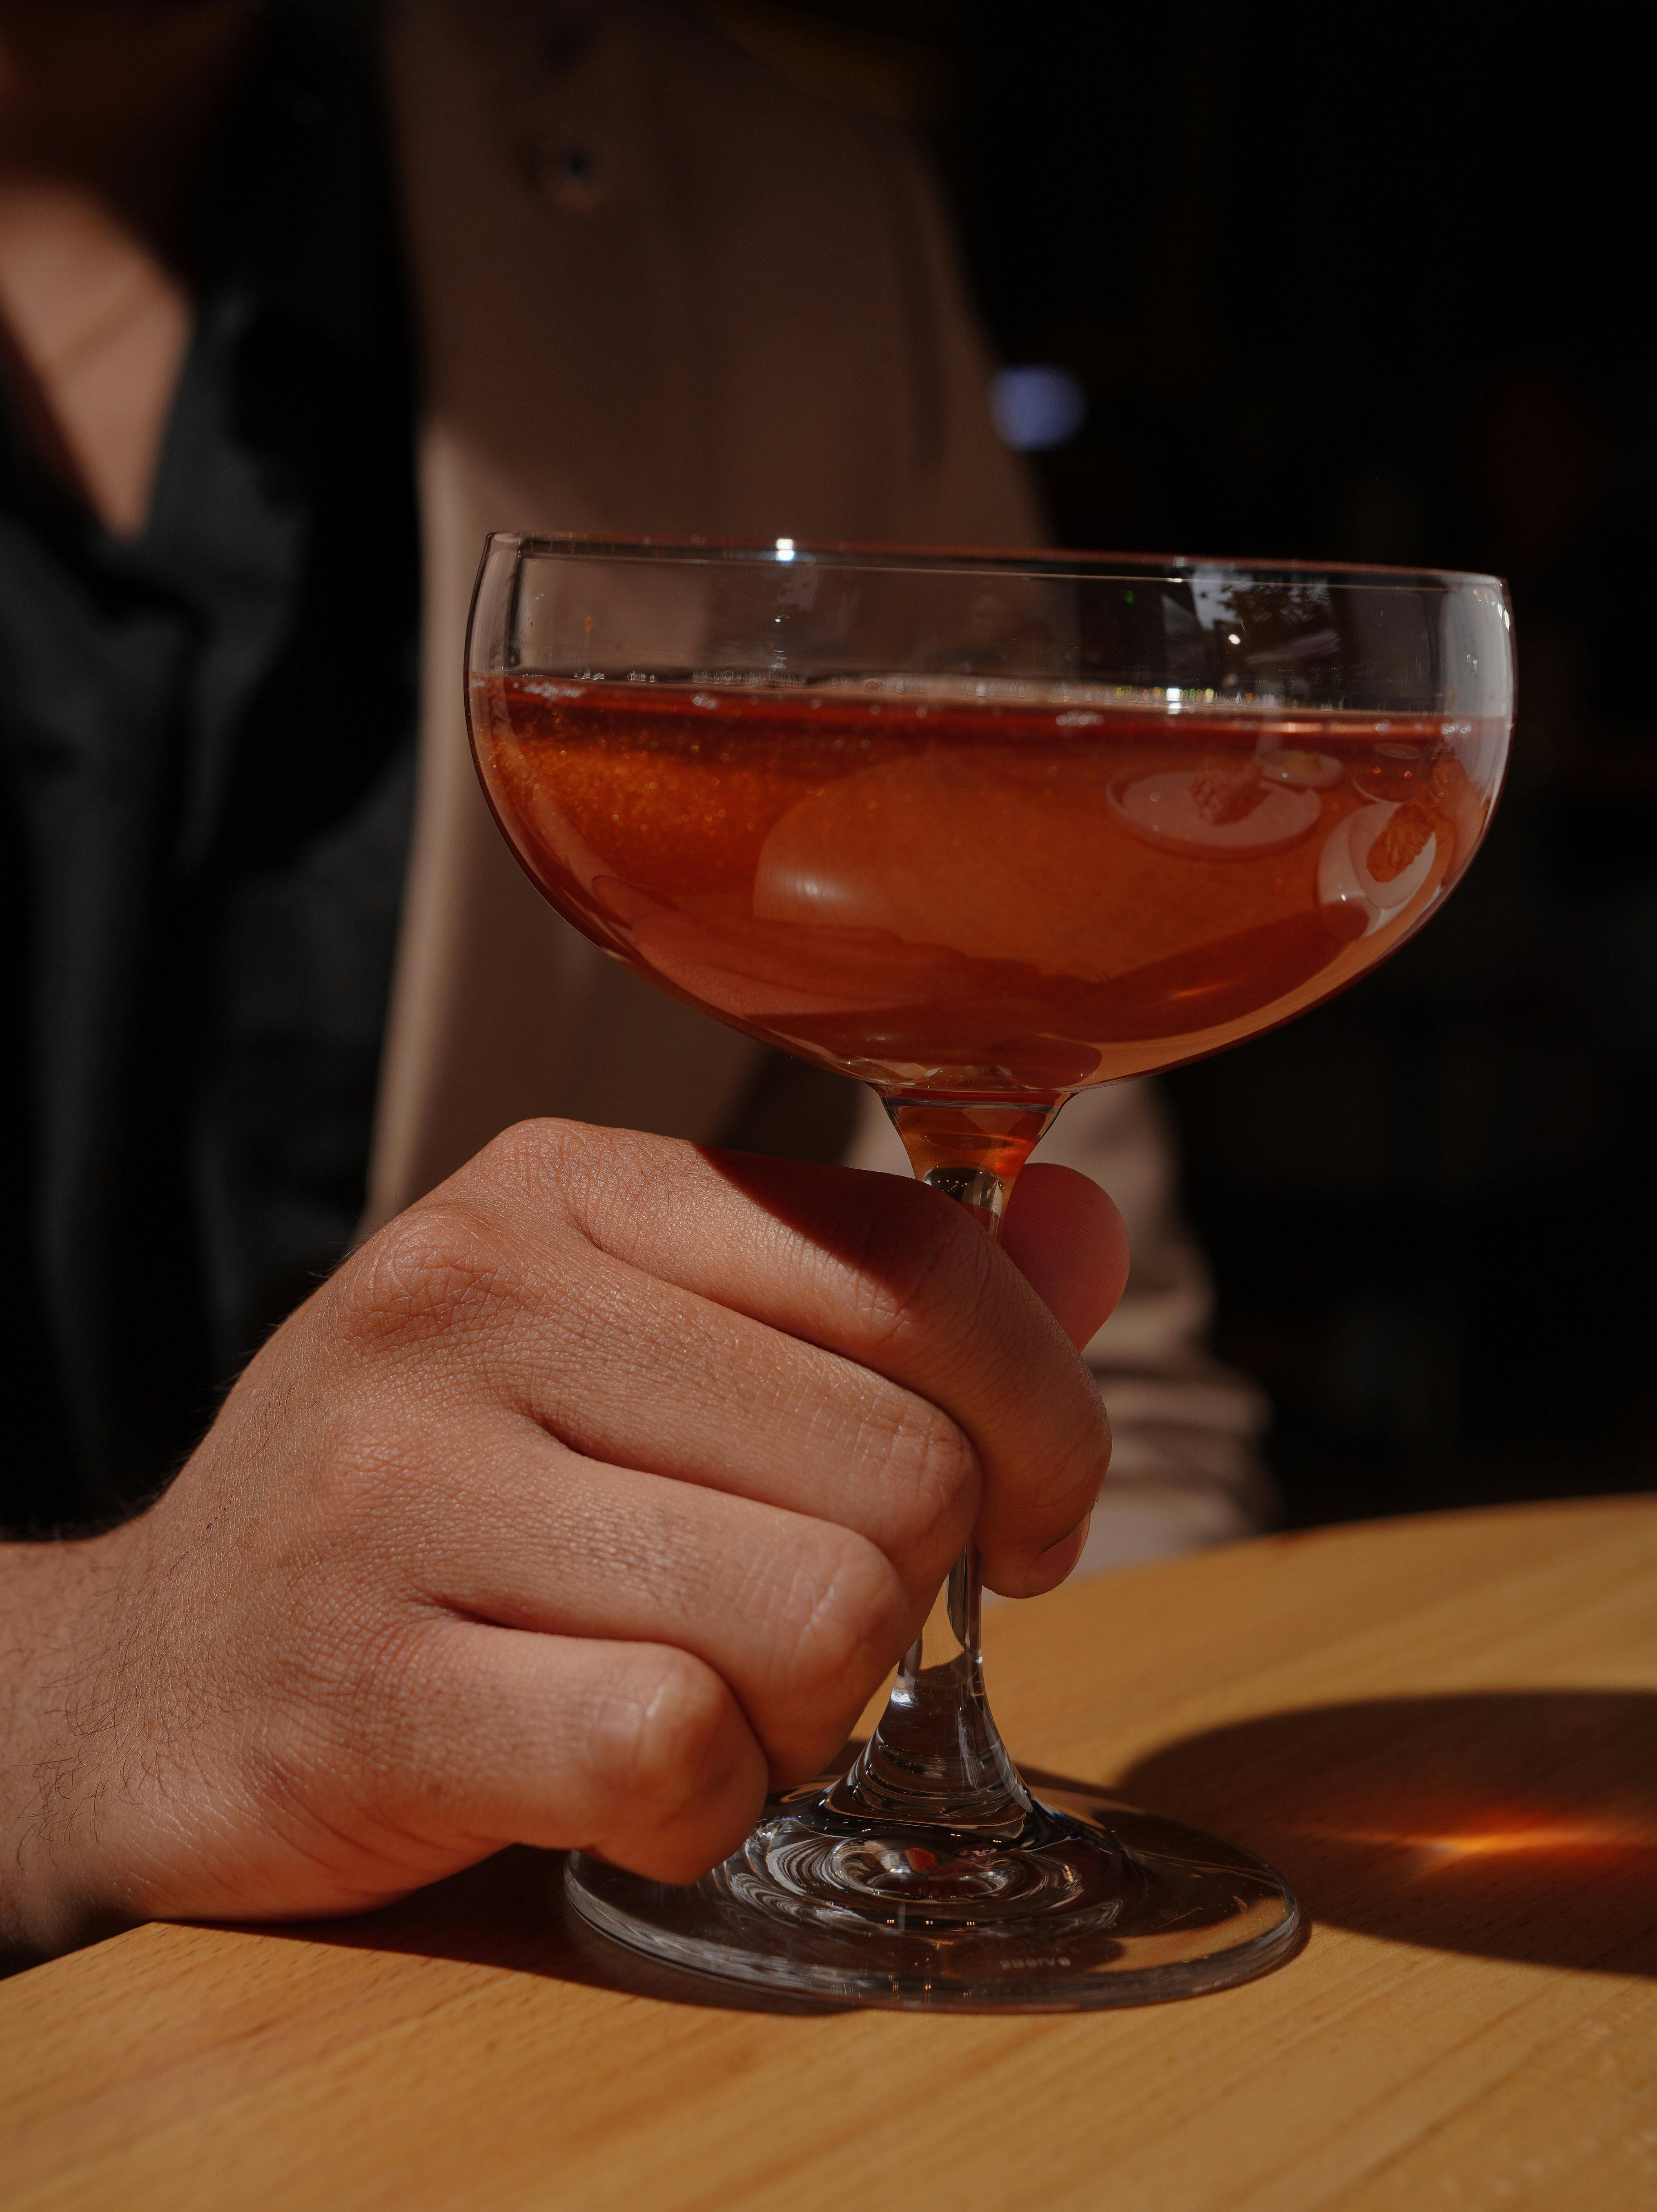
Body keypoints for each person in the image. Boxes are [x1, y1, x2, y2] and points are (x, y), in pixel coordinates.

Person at [0, 0, 1269, 1964]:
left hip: (530, 2017)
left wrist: (956, 1901)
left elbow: (1104, 1406)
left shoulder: (781, 216)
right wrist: (78, 1698)